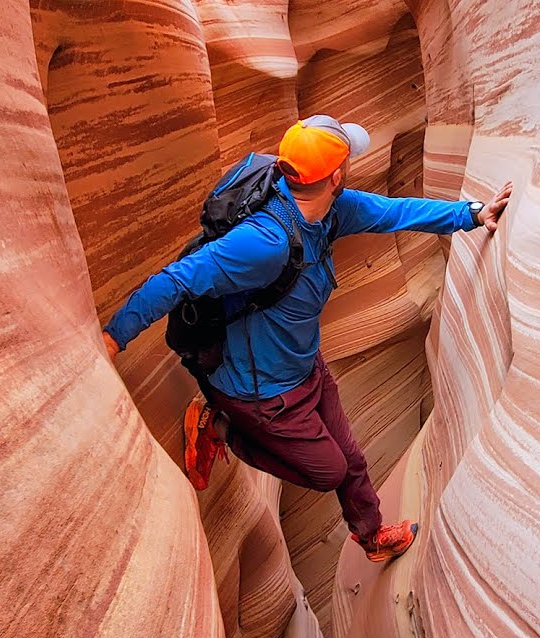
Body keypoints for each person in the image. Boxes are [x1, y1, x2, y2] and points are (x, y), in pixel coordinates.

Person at [101, 115, 512, 561]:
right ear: (335, 175)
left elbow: (394, 212)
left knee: (351, 459)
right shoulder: (264, 242)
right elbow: (178, 280)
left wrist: (470, 215)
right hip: (257, 393)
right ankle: (219, 425)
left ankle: (372, 537)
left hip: (303, 366)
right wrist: (113, 338)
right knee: (328, 470)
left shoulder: (333, 210)